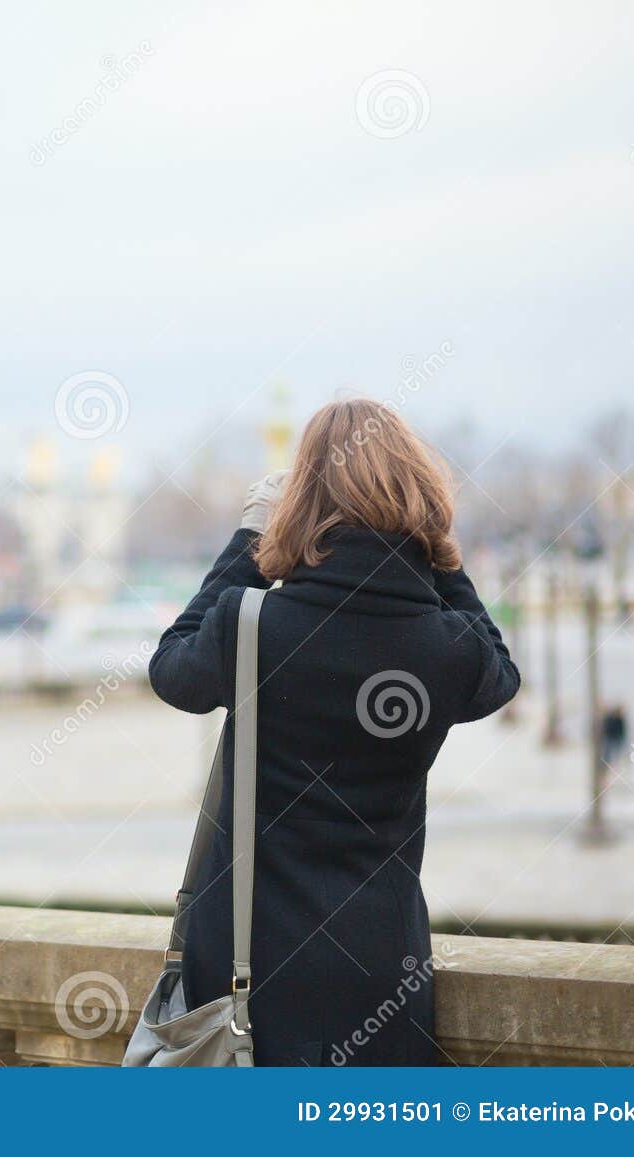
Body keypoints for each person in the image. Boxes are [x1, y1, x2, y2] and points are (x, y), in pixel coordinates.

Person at [148, 398, 520, 1066]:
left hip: (244, 977)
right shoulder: (449, 648)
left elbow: (172, 669)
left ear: (302, 503)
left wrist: (251, 542)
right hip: (380, 975)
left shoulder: (252, 624)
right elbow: (501, 673)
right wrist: (440, 555)